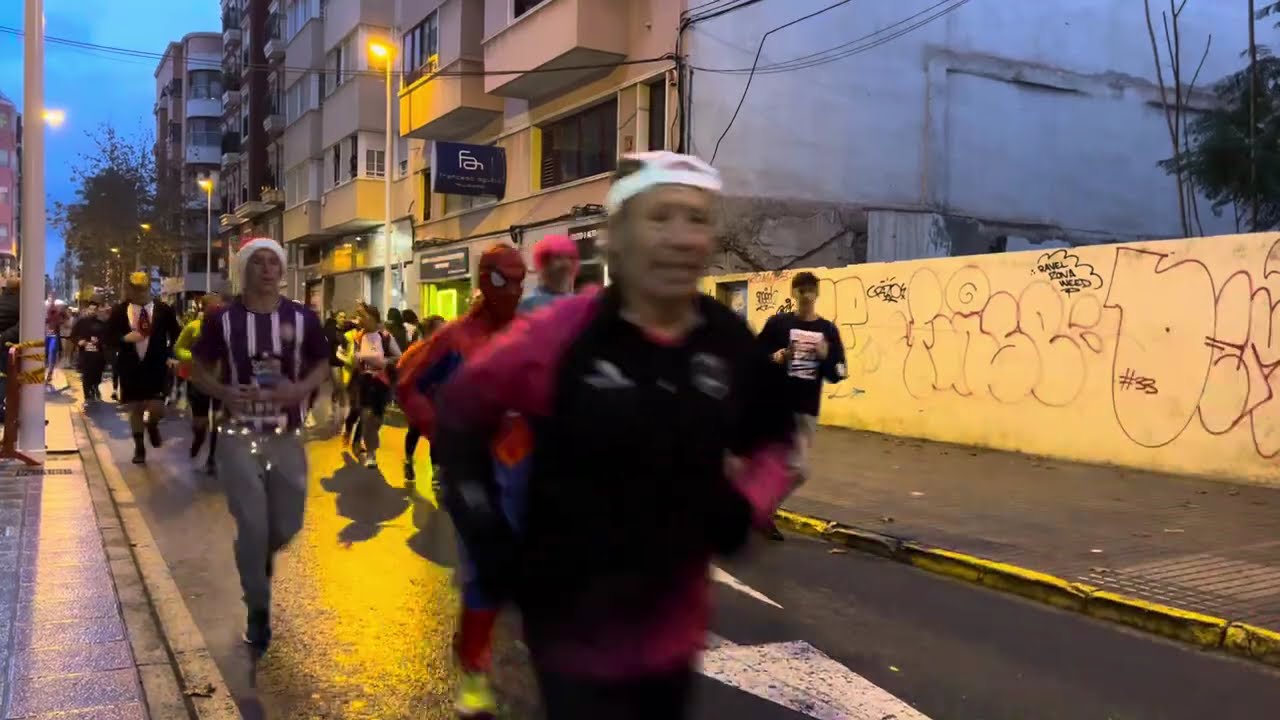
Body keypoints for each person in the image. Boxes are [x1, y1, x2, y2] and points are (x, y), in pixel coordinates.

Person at [433, 151, 795, 720]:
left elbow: (776, 442)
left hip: (675, 635)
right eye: (660, 217)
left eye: (696, 219)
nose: (680, 237)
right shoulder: (560, 335)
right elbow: (458, 413)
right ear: (617, 238)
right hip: (572, 634)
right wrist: (486, 528)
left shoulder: (726, 341)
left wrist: (744, 505)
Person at [396, 246, 526, 718]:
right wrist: (447, 434)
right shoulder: (453, 338)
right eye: (502, 281)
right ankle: (473, 667)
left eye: (519, 281)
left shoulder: (528, 334)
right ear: (484, 279)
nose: (511, 292)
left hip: (523, 468)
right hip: (471, 471)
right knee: (484, 565)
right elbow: (407, 382)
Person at [189, 238, 329, 653]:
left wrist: (299, 389)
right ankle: (257, 609)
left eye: (274, 262)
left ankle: (254, 552)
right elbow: (195, 368)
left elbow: (323, 364)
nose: (268, 269)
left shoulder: (303, 318)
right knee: (252, 523)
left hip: (286, 436)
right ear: (244, 269)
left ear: (282, 271)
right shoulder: (222, 320)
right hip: (237, 434)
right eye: (259, 262)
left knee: (287, 525)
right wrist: (223, 392)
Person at [755, 271, 847, 541]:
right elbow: (756, 355)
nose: (806, 296)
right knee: (779, 462)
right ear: (793, 294)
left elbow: (839, 372)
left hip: (806, 408)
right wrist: (778, 356)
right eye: (801, 290)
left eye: (810, 290)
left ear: (817, 294)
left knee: (798, 470)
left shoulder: (827, 331)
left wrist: (826, 357)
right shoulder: (778, 324)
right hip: (776, 405)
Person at [108, 273, 183, 464]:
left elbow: (176, 335)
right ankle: (139, 448)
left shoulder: (163, 310)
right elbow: (107, 336)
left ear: (149, 288)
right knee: (135, 408)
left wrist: (172, 356)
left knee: (157, 407)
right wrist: (124, 338)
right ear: (129, 289)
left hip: (157, 365)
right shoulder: (119, 311)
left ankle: (153, 424)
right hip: (130, 366)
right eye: (135, 289)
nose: (139, 293)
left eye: (143, 289)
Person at [175, 295, 223, 472]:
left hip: (220, 382)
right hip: (198, 381)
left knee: (218, 422)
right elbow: (178, 348)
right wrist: (193, 358)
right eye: (215, 307)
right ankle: (198, 440)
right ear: (204, 308)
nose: (219, 310)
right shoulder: (193, 327)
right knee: (200, 425)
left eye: (220, 307)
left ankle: (212, 458)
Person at [351, 303, 401, 468]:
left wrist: (385, 362)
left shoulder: (385, 337)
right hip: (365, 381)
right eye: (358, 316)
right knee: (366, 416)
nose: (360, 320)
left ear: (372, 317)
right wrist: (356, 359)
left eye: (362, 316)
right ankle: (371, 453)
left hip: (382, 383)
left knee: (377, 419)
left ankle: (370, 443)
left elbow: (399, 357)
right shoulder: (358, 336)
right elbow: (356, 360)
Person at [397, 313, 445, 484]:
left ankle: (436, 471)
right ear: (431, 330)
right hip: (417, 400)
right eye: (441, 326)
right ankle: (408, 462)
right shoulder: (415, 349)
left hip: (437, 398)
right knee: (414, 431)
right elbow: (401, 368)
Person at [518, 234, 578, 315]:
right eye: (558, 257)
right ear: (544, 265)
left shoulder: (579, 306)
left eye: (570, 258)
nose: (566, 263)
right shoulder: (527, 306)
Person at [72, 302, 109, 402]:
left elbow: (106, 337)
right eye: (90, 309)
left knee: (97, 373)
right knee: (86, 373)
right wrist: (79, 341)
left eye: (94, 309)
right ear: (88, 310)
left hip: (98, 354)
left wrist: (99, 341)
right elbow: (73, 335)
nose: (92, 311)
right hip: (85, 353)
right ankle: (87, 394)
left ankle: (95, 387)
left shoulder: (101, 324)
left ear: (97, 311)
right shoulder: (81, 322)